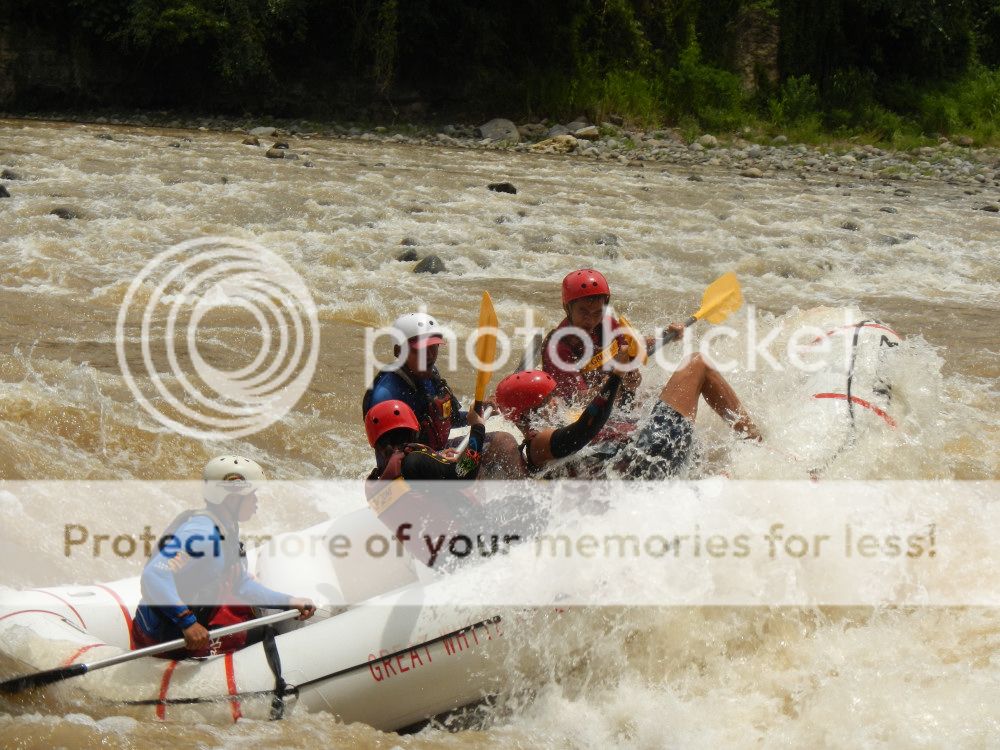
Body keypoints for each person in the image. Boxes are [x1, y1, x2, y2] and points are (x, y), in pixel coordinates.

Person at [132, 456, 316, 657]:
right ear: (231, 498)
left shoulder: (225, 527)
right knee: (261, 637)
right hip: (161, 637)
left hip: (177, 625)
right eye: (252, 495)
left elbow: (241, 585)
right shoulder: (202, 534)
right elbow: (155, 575)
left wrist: (289, 601)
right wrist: (187, 622)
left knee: (251, 623)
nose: (256, 502)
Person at [497, 349, 761, 479]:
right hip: (648, 458)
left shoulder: (550, 432)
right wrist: (615, 377)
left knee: (653, 396)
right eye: (552, 398)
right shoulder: (537, 444)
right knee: (697, 364)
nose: (558, 401)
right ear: (534, 410)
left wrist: (628, 385)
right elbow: (584, 429)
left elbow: (602, 422)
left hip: (639, 465)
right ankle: (758, 443)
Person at [364, 311, 523, 477]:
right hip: (410, 469)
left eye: (434, 347)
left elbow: (450, 419)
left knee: (504, 442)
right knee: (474, 471)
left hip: (436, 453)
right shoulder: (385, 397)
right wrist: (437, 457)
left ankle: (527, 490)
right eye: (421, 349)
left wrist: (478, 412)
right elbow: (392, 459)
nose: (430, 355)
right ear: (398, 351)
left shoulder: (430, 375)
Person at [364, 400, 495, 565]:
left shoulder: (377, 482)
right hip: (471, 545)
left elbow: (417, 495)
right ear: (412, 428)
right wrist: (478, 427)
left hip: (439, 561)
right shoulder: (414, 461)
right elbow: (465, 472)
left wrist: (437, 459)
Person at [541, 269, 651, 404]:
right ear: (567, 308)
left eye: (597, 312)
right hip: (580, 412)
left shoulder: (608, 324)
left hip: (611, 396)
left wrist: (632, 378)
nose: (591, 321)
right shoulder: (558, 347)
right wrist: (614, 381)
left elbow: (632, 355)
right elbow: (575, 401)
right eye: (584, 312)